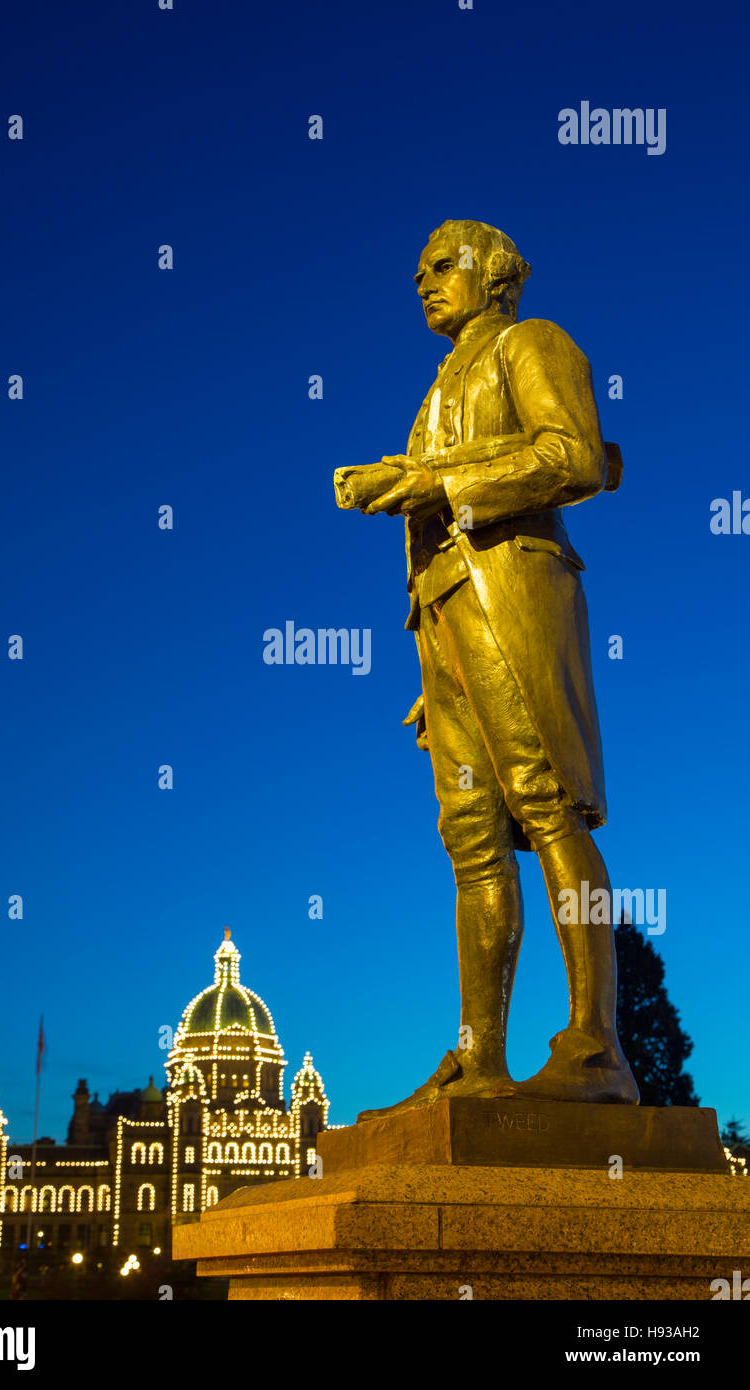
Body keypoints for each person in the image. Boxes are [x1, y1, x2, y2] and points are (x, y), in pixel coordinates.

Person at [351, 220, 638, 1115]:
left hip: (513, 599)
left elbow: (578, 456)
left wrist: (439, 481)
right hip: (444, 622)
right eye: (421, 270)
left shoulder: (531, 344)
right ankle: (481, 1064)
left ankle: (596, 1050)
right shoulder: (432, 394)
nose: (421, 279)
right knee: (472, 843)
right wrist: (435, 664)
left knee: (548, 809)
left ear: (495, 273)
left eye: (441, 265)